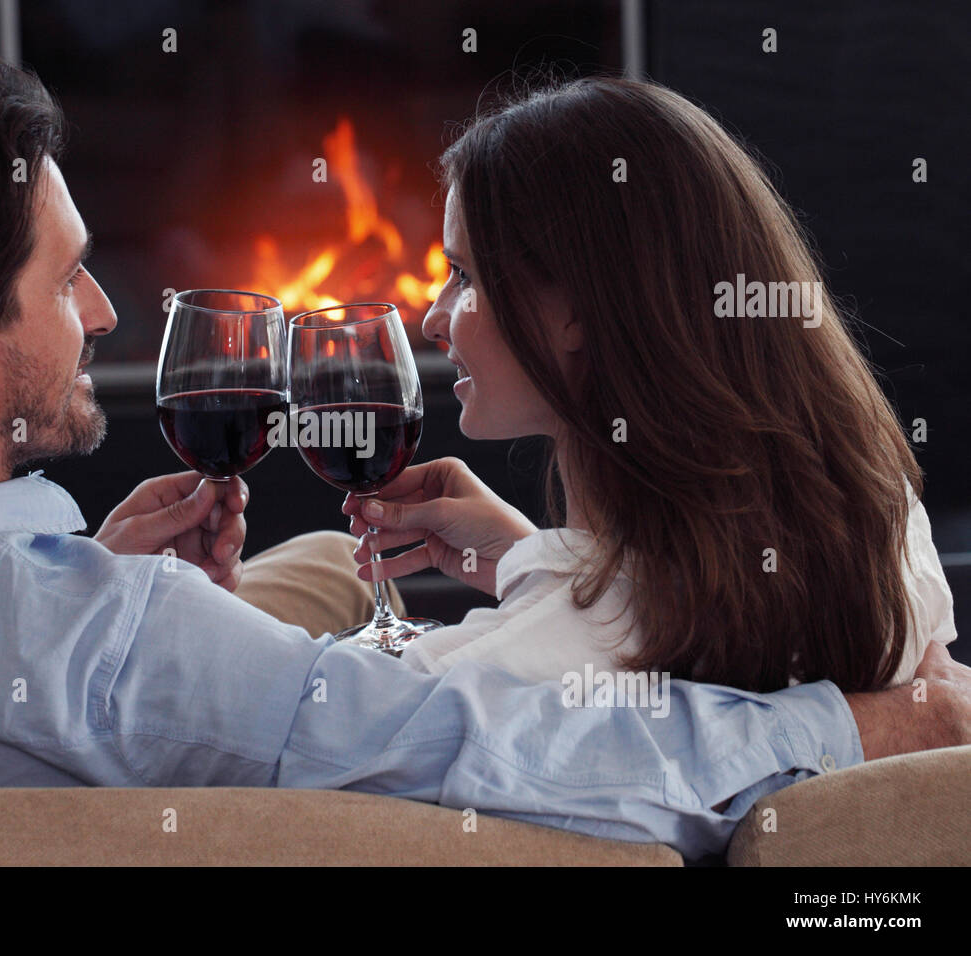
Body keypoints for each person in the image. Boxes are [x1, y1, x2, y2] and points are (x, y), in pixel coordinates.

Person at [0, 44, 966, 863]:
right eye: (71, 283)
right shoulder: (118, 648)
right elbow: (499, 754)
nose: (112, 313)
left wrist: (97, 578)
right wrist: (854, 725)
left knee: (310, 567)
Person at [346, 77, 957, 692]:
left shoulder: (467, 681)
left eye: (464, 275)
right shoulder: (890, 538)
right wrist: (536, 558)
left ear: (580, 309)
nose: (433, 319)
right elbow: (647, 609)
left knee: (326, 569)